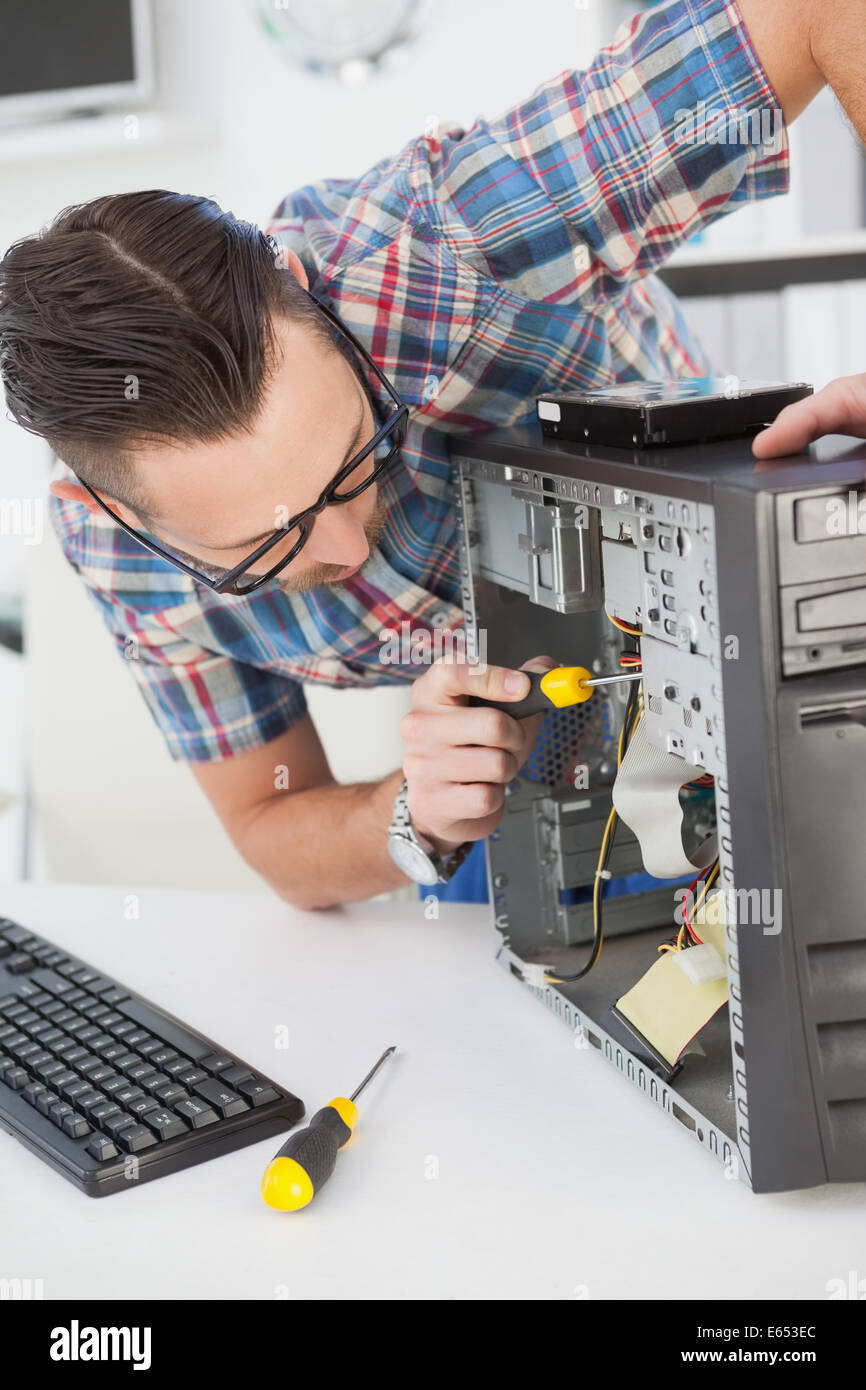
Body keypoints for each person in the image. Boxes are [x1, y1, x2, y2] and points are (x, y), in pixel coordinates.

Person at [1, 0, 865, 909]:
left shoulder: (448, 241)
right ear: (119, 516)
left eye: (352, 458)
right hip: (558, 780)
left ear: (305, 292)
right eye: (265, 549)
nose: (342, 546)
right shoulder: (114, 554)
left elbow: (816, 13)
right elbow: (270, 828)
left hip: (756, 614)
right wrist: (417, 808)